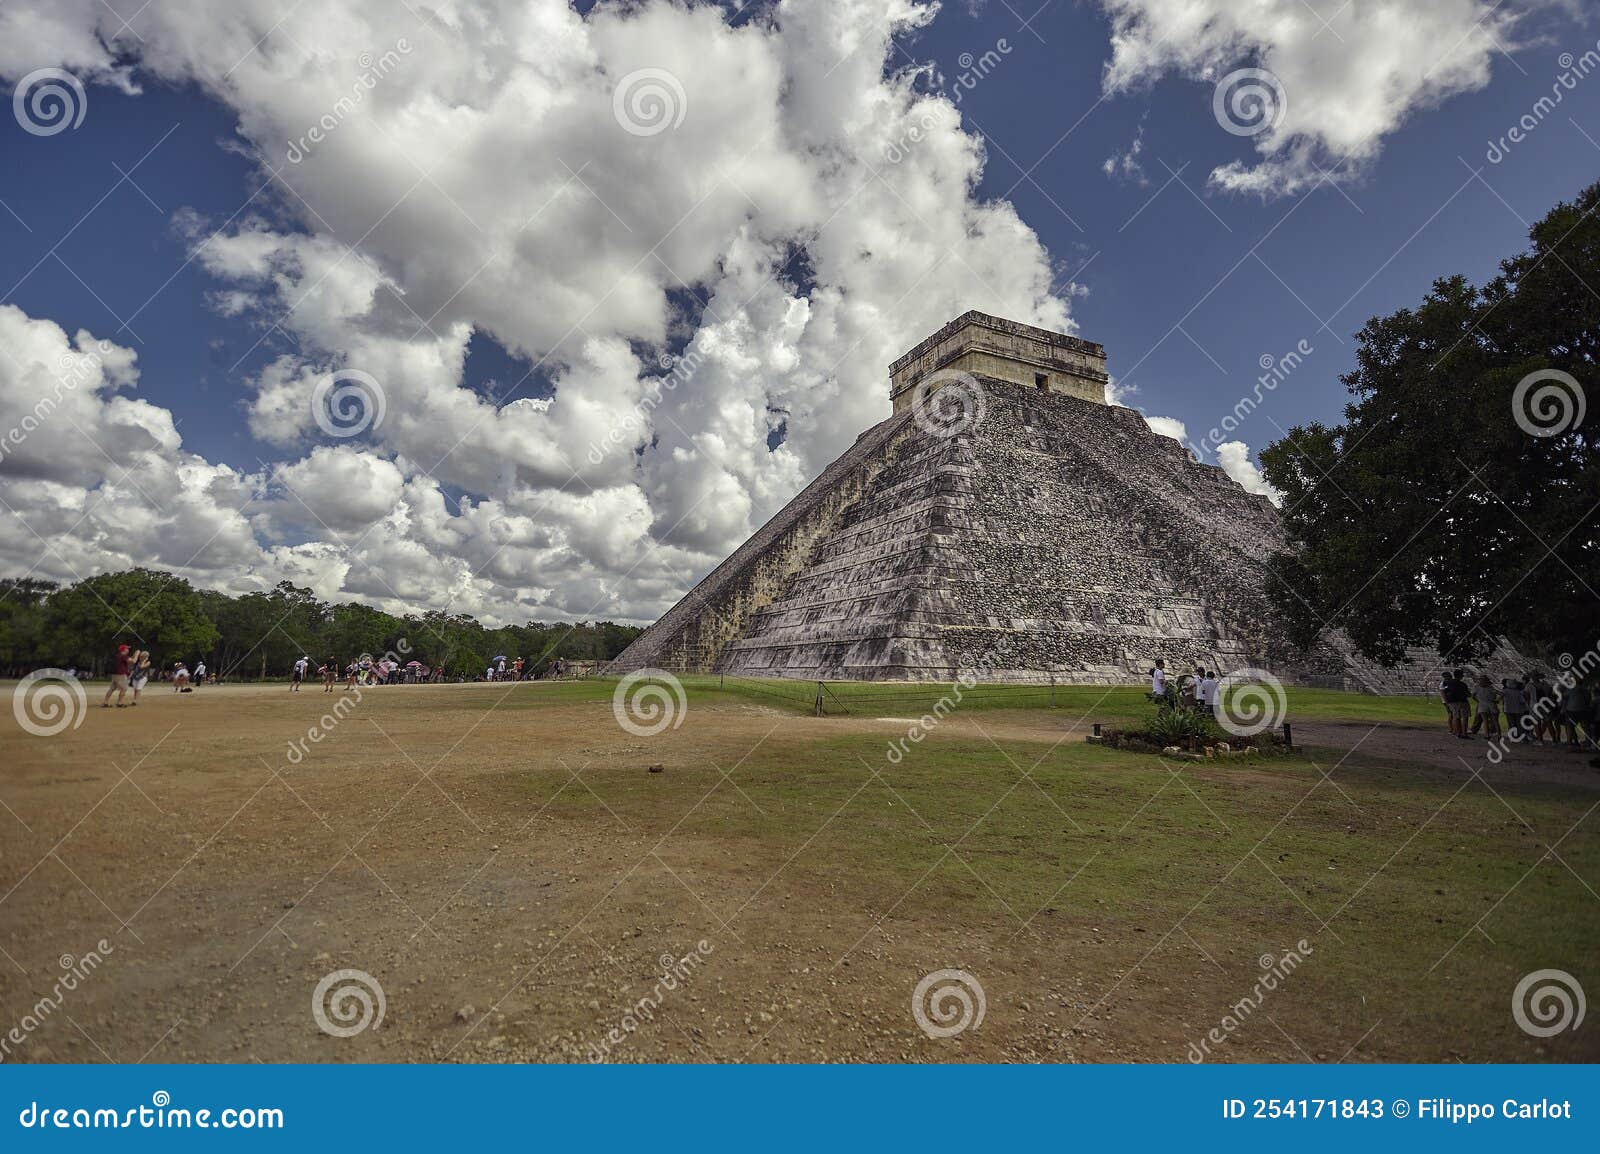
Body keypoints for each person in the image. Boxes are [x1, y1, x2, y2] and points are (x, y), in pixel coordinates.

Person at [1561, 680, 1592, 749]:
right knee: (1585, 727)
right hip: (1583, 710)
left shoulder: (1570, 688)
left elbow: (1564, 697)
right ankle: (1588, 743)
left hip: (1571, 710)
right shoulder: (1585, 689)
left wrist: (1563, 709)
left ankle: (1570, 743)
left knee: (1569, 727)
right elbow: (1588, 699)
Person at [1442, 669, 1471, 739]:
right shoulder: (1462, 684)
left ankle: (1457, 733)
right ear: (1461, 676)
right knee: (1464, 717)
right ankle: (1464, 733)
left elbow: (1444, 693)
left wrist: (1447, 702)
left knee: (1456, 717)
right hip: (1462, 702)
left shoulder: (1448, 683)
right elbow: (1468, 694)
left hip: (1452, 702)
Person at [102, 643, 132, 708]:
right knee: (124, 688)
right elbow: (133, 661)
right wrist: (137, 654)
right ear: (124, 650)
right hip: (121, 675)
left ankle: (105, 702)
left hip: (115, 674)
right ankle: (119, 703)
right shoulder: (123, 655)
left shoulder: (117, 655)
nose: (128, 650)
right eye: (127, 648)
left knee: (112, 688)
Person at [1501, 678, 1528, 742]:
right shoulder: (1518, 692)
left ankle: (1513, 737)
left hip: (1508, 710)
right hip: (1518, 710)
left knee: (1511, 724)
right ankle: (1521, 737)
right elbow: (1522, 701)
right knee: (1519, 724)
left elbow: (1501, 697)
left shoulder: (1505, 691)